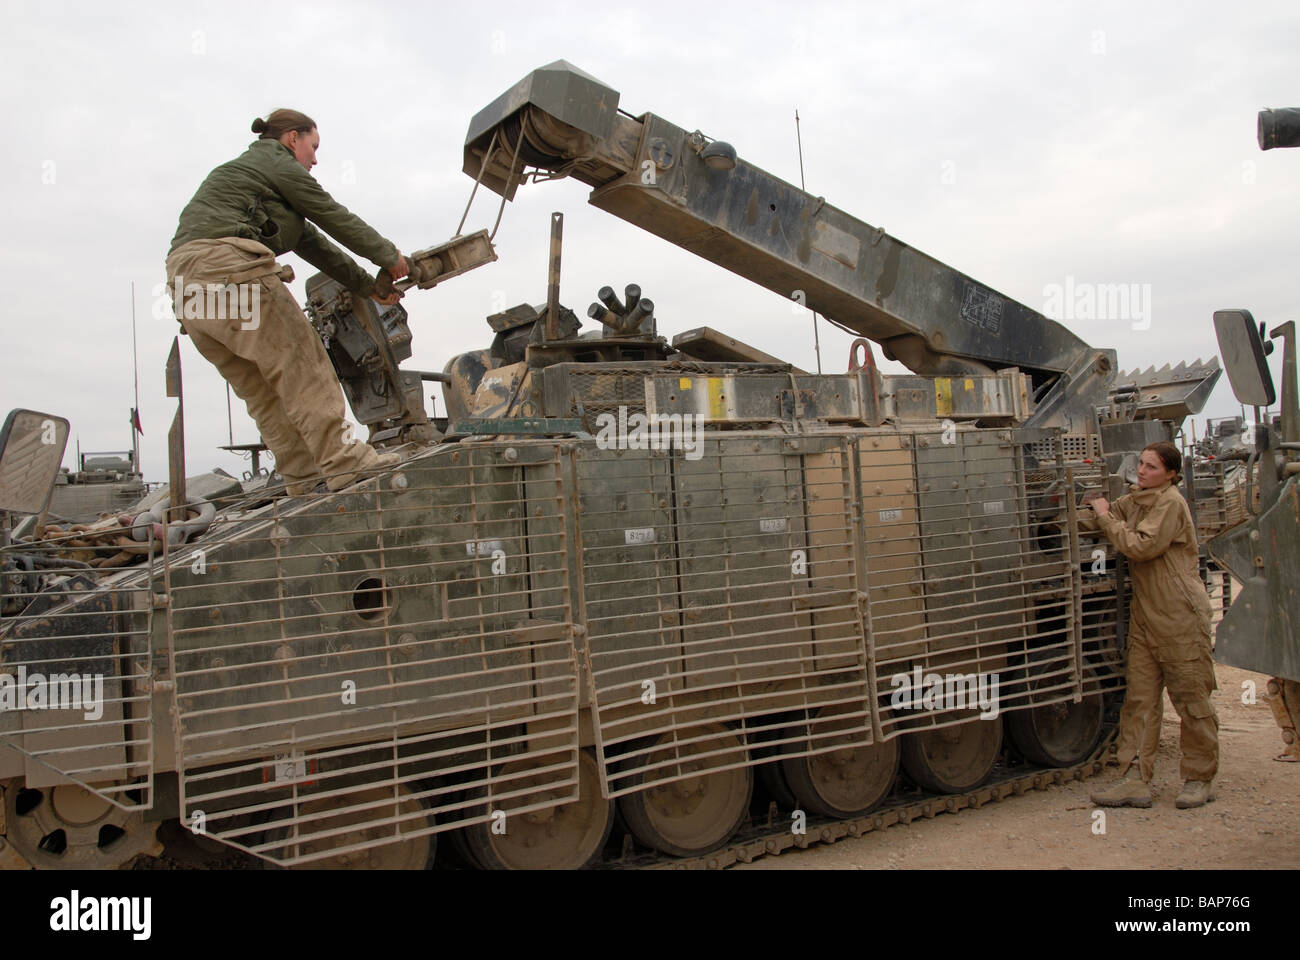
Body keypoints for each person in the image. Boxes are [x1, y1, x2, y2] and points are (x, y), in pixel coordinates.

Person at [166, 108, 409, 495]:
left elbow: (317, 246)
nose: (316, 159)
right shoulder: (272, 160)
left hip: (188, 290)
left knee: (264, 389)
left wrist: (369, 287)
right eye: (313, 147)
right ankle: (346, 461)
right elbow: (330, 213)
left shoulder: (258, 185)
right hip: (228, 268)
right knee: (302, 364)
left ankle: (303, 475)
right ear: (291, 138)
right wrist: (389, 256)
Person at [1082, 441, 1219, 809]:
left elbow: (1140, 546)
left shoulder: (1170, 503)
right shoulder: (1138, 499)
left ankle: (1198, 777)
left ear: (1171, 473)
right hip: (1146, 615)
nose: (1142, 471)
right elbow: (1100, 519)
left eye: (1152, 467)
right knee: (1140, 701)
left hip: (1179, 615)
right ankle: (1134, 778)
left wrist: (1104, 515)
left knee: (1191, 700)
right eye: (1141, 463)